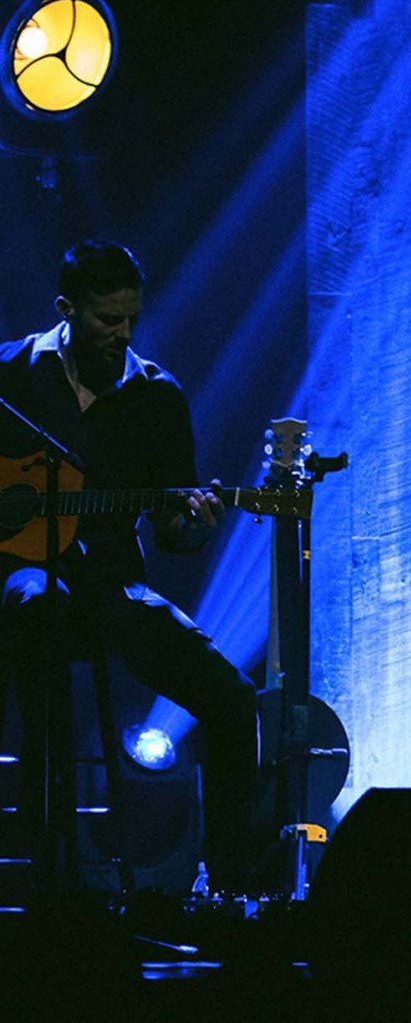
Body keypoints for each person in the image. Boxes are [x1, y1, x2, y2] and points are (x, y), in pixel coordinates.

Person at [0, 239, 258, 889]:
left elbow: (173, 527)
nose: (121, 333)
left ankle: (229, 885)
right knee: (38, 603)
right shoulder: (11, 375)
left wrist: (190, 525)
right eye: (105, 319)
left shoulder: (156, 396)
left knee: (231, 699)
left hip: (112, 584)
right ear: (66, 308)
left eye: (130, 320)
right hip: (23, 583)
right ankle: (47, 865)